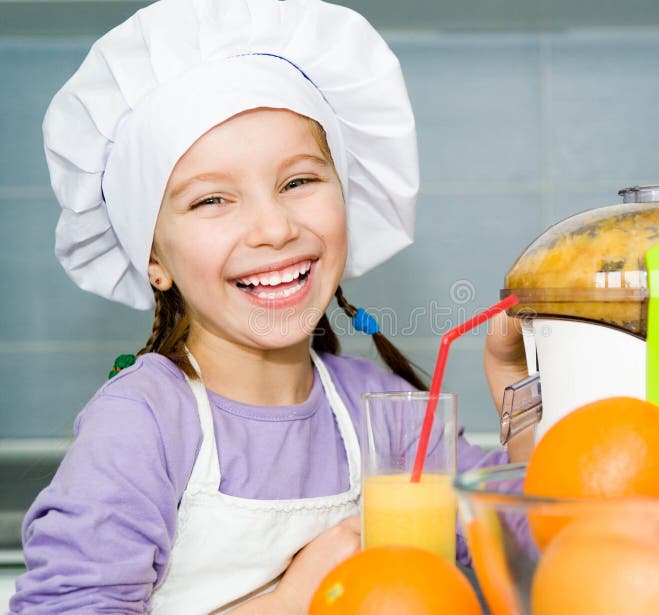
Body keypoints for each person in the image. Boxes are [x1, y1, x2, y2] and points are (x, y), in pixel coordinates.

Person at [10, 0, 530, 612]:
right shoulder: (142, 422)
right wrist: (293, 600)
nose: (274, 228)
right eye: (211, 200)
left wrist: (520, 394)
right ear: (153, 258)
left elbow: (533, 545)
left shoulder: (382, 410)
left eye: (298, 182)